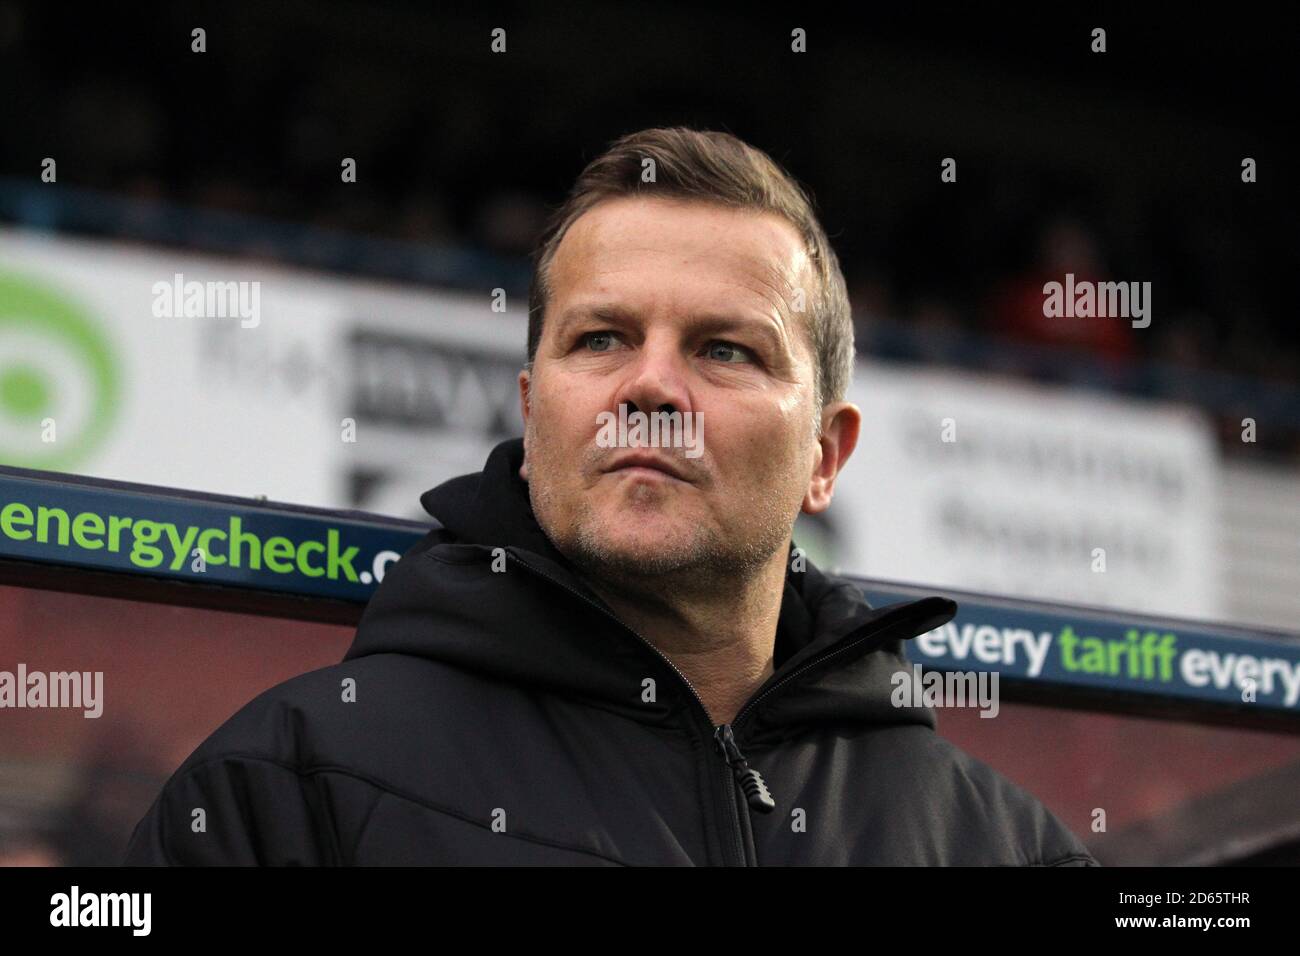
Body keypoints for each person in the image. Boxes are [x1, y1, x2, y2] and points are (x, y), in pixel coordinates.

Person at [124, 127, 1097, 866]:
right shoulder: (283, 787)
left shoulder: (1003, 847)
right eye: (599, 339)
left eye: (725, 349)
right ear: (532, 410)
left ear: (824, 455)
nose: (649, 387)